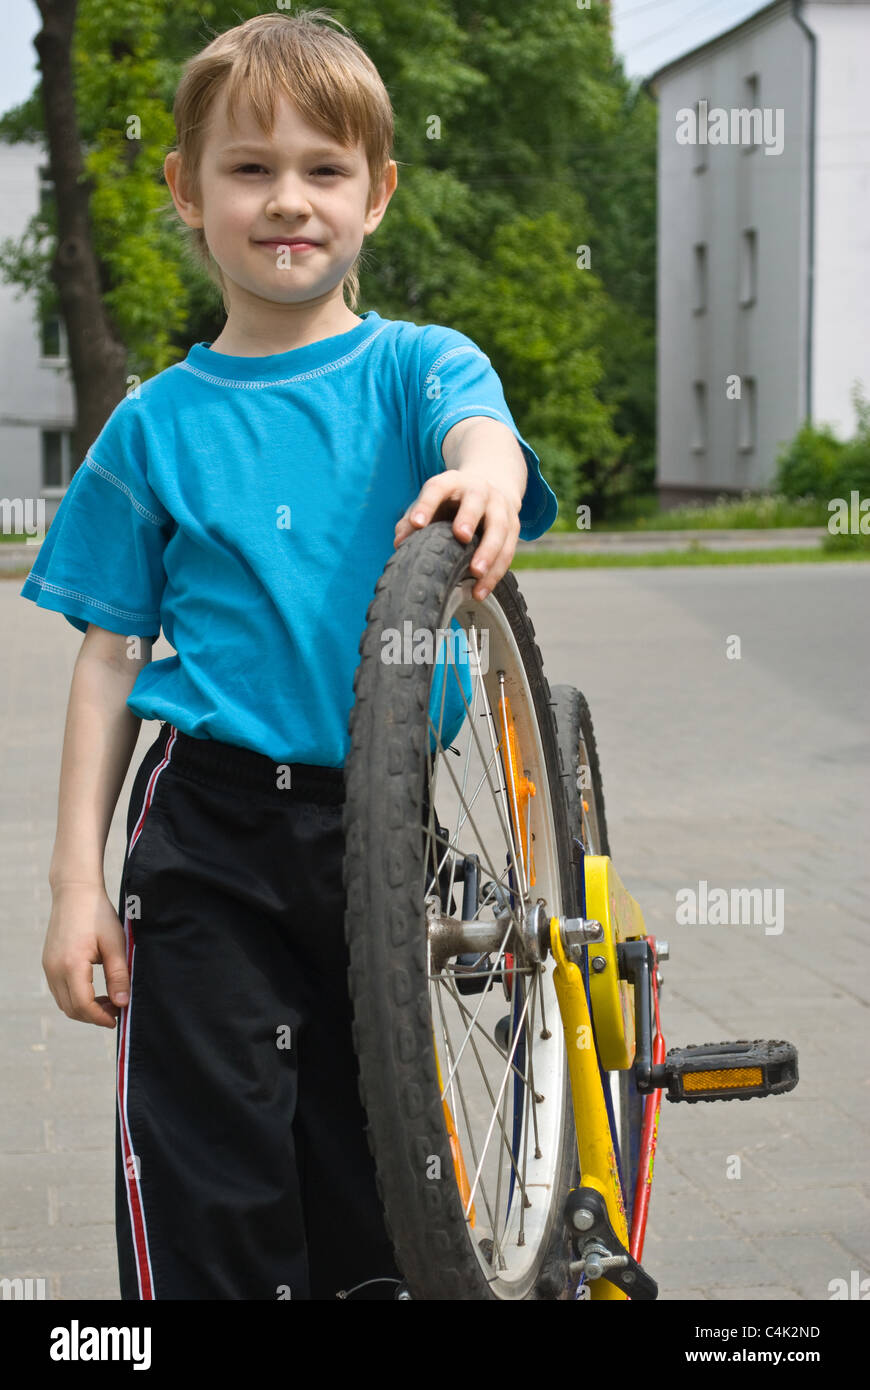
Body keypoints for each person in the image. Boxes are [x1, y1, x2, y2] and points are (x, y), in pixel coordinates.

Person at [22, 8, 558, 1300]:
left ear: (375, 193)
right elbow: (106, 659)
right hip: (204, 824)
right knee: (214, 1169)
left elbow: (478, 434)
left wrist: (482, 474)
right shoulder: (153, 427)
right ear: (185, 194)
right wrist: (73, 889)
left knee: (374, 1164)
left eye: (323, 170)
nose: (287, 202)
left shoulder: (414, 368)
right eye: (248, 169)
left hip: (376, 829)